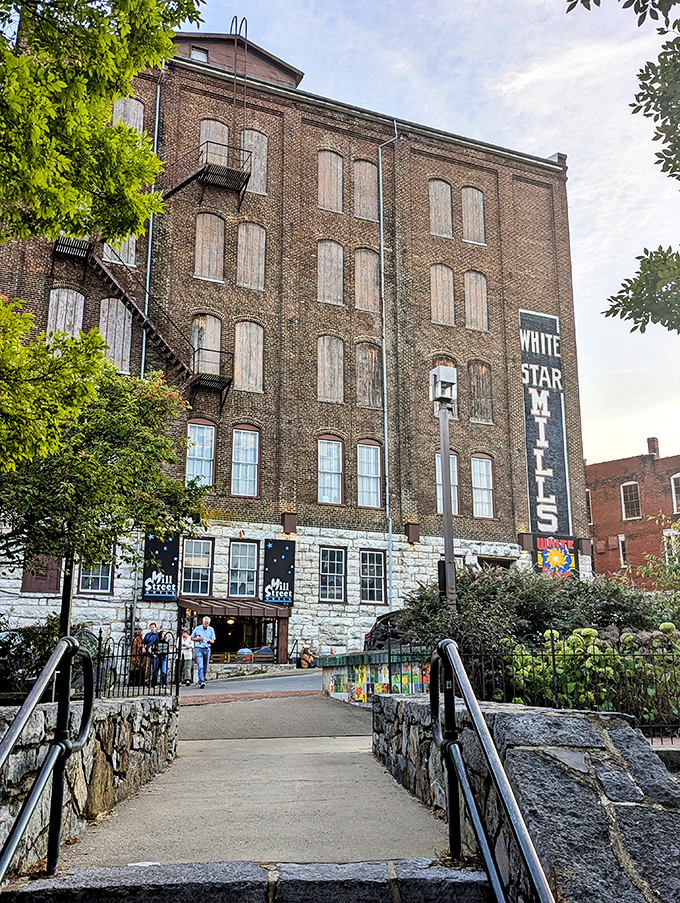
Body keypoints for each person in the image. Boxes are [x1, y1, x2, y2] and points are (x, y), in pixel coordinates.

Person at [191, 616, 215, 688]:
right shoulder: (197, 628)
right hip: (199, 649)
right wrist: (198, 639)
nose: (206, 625)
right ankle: (201, 681)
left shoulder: (211, 629)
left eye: (208, 623)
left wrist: (210, 641)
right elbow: (192, 638)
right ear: (203, 622)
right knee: (200, 666)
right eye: (205, 623)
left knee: (205, 667)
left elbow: (213, 640)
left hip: (207, 648)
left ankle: (203, 680)